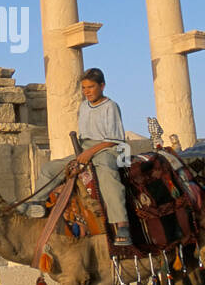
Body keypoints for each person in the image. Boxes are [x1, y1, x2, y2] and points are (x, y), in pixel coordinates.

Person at [27, 68, 134, 247]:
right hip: (85, 148)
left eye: (91, 87)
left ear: (102, 86)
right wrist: (83, 152)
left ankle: (122, 224)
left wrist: (89, 153)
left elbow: (114, 139)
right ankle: (35, 203)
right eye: (84, 88)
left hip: (108, 148)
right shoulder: (84, 106)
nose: (87, 92)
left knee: (107, 175)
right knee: (50, 169)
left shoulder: (110, 106)